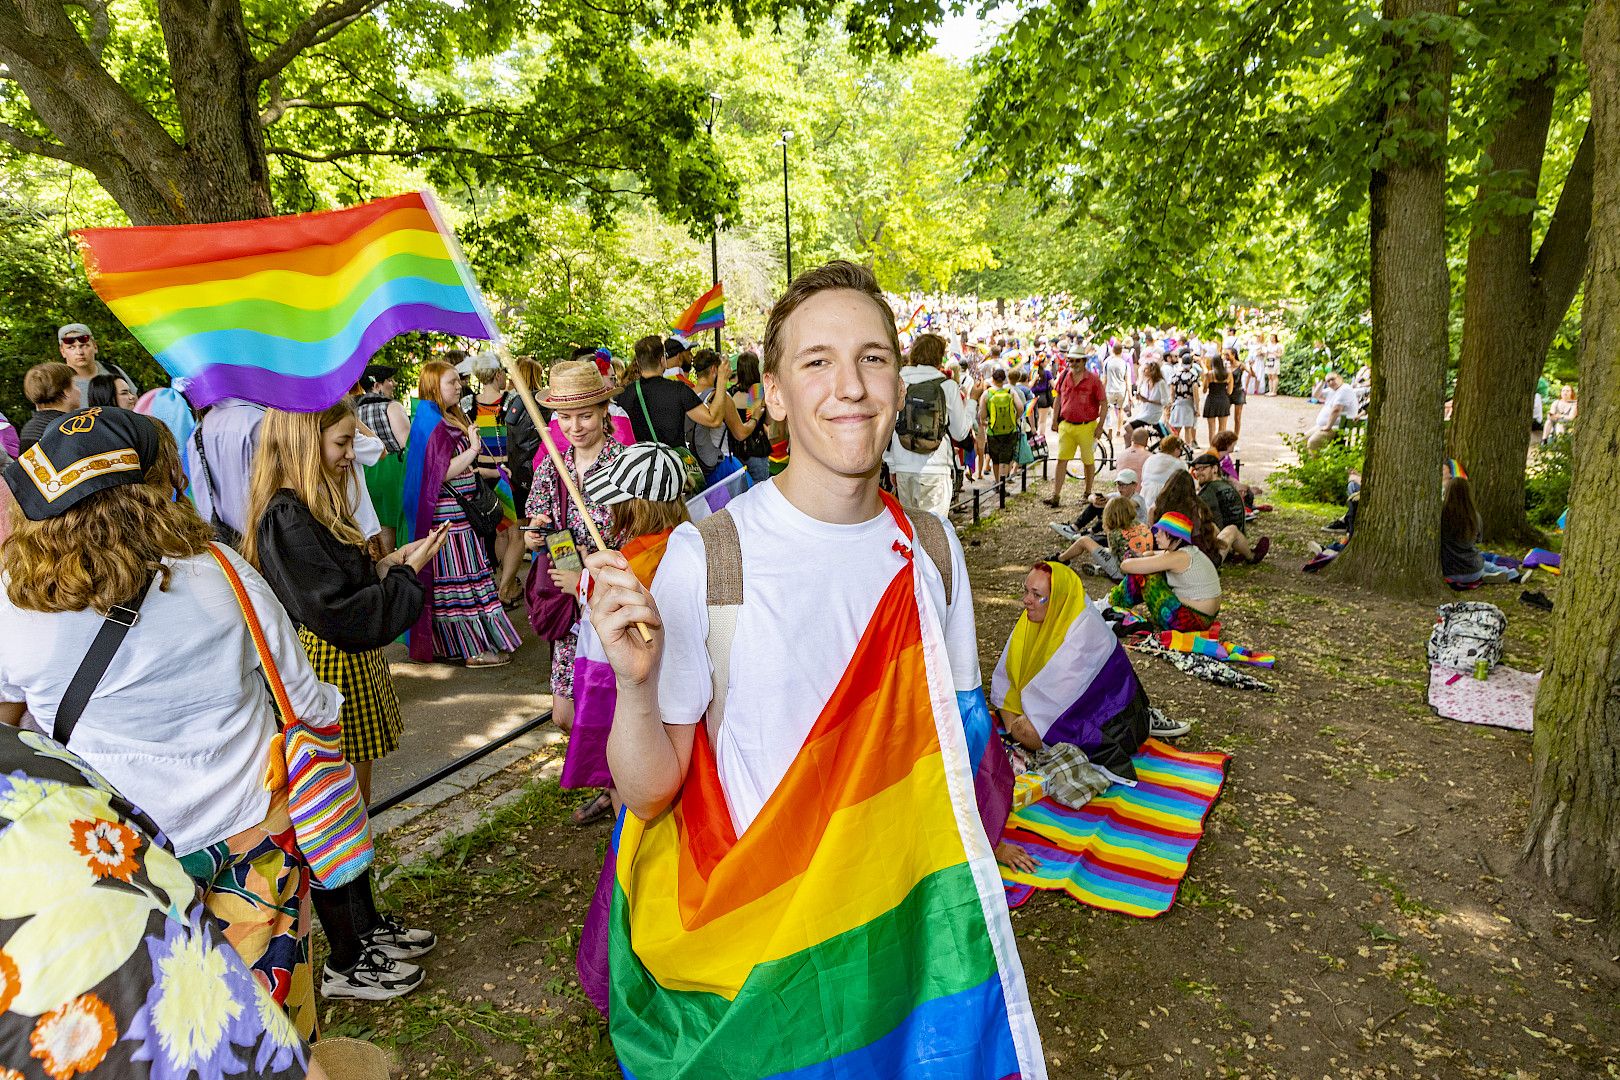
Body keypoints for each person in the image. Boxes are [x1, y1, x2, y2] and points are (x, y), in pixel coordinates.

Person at [584, 261, 1042, 1074]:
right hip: (760, 966)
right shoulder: (706, 557)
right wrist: (636, 685)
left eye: (872, 358)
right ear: (777, 396)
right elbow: (650, 794)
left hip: (890, 949)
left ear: (898, 384)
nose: (851, 386)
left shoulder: (934, 553)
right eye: (817, 361)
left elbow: (955, 752)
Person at [0, 409, 330, 1037]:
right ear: (152, 486)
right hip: (252, 838)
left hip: (115, 860)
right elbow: (307, 703)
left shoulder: (13, 604)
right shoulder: (223, 573)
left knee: (168, 1030)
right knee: (272, 1029)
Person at [242, 404, 441, 1000]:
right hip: (323, 669)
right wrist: (401, 580)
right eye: (342, 442)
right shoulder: (287, 515)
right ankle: (347, 959)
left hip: (339, 663)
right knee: (329, 818)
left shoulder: (309, 505)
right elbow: (339, 613)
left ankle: (366, 926)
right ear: (304, 441)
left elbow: (343, 588)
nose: (352, 454)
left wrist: (390, 566)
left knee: (349, 810)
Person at [0, 723, 329, 1079]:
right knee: (259, 1009)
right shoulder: (40, 840)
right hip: (235, 812)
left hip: (201, 827)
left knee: (259, 1012)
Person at [564, 443, 689, 828]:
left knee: (629, 787)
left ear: (634, 506)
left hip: (638, 689)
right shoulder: (690, 539)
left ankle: (626, 847)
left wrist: (579, 584)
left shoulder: (628, 562)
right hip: (682, 690)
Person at [992, 563, 1164, 824]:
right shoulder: (1032, 621)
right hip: (1052, 709)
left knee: (1024, 729)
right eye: (1026, 591)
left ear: (1059, 600)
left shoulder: (1084, 632)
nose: (1026, 600)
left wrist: (1021, 724)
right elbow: (1009, 676)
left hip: (1105, 719)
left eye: (1037, 595)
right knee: (1018, 723)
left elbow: (1068, 702)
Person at [525, 360, 624, 736]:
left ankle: (617, 773)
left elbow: (644, 544)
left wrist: (589, 571)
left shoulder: (623, 467)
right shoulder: (553, 466)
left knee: (610, 709)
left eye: (585, 415)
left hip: (611, 604)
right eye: (565, 417)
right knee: (565, 715)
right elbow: (536, 527)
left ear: (604, 410)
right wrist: (535, 536)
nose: (575, 427)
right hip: (569, 608)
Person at [401, 360, 520, 667]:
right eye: (451, 382)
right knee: (461, 580)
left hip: (456, 514)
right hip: (449, 517)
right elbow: (440, 472)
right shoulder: (433, 421)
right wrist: (473, 449)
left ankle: (458, 645)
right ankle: (472, 649)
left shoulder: (441, 416)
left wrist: (486, 469)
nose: (459, 386)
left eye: (458, 380)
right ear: (433, 386)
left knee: (461, 580)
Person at [460, 354, 526, 604]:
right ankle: (506, 588)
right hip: (508, 476)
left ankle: (503, 581)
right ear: (498, 374)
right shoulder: (512, 401)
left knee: (501, 534)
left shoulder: (468, 405)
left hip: (482, 477)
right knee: (517, 534)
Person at [886, 331, 974, 515]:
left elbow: (887, 426)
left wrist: (892, 465)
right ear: (939, 356)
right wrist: (972, 403)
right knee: (935, 527)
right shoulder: (946, 385)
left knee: (911, 526)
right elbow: (960, 433)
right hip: (935, 466)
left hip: (903, 463)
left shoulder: (897, 382)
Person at [1108, 511, 1223, 631]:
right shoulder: (1187, 552)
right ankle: (1112, 602)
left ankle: (1111, 603)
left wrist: (1137, 559)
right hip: (1204, 618)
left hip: (1191, 620)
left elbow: (1125, 566)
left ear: (1176, 537)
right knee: (1145, 567)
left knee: (1145, 574)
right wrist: (1143, 557)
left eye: (1161, 532)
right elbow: (1149, 554)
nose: (1156, 535)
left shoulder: (1178, 557)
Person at [618, 334, 725, 446]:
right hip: (672, 455)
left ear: (638, 363)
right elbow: (713, 420)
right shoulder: (679, 390)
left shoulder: (624, 394)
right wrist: (722, 379)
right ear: (662, 360)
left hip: (639, 456)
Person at [187, 397, 269, 544]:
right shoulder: (258, 421)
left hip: (223, 542)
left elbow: (201, 496)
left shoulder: (199, 431)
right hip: (260, 538)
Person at [356, 364, 412, 551]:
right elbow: (406, 444)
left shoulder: (353, 410)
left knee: (380, 526)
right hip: (392, 470)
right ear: (377, 385)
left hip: (365, 471)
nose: (393, 384)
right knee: (400, 525)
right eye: (389, 380)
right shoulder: (391, 407)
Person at [1045, 343, 1106, 508]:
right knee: (1061, 460)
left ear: (1084, 361)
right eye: (1071, 360)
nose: (1073, 363)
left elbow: (1103, 402)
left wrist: (1100, 426)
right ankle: (1056, 495)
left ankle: (1087, 493)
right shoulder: (1064, 376)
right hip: (1066, 424)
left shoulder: (1093, 380)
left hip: (1087, 425)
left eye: (1077, 360)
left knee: (1088, 460)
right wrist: (1054, 420)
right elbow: (1058, 398)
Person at [687, 348, 759, 485]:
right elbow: (740, 433)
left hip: (696, 468)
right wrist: (755, 418)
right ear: (714, 369)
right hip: (721, 465)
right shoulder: (721, 397)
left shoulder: (687, 395)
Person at [1052, 487, 1152, 579]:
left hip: (1123, 571)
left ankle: (1061, 559)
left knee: (1084, 540)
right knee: (1103, 548)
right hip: (1143, 567)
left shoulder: (1115, 533)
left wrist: (1108, 532)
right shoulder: (1142, 526)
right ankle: (1100, 569)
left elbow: (1112, 553)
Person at [1191, 453, 1269, 564]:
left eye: (1202, 468)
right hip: (1230, 541)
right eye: (1196, 470)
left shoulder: (1208, 491)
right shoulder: (1228, 485)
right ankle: (1248, 555)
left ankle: (1241, 554)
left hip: (1220, 543)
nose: (1198, 473)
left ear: (1215, 469)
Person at [1440, 476, 1518, 585]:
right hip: (1474, 571)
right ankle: (1511, 574)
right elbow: (1478, 540)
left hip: (1450, 573)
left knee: (1480, 562)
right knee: (1484, 563)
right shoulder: (1474, 516)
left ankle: (1489, 575)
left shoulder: (1441, 515)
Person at [56, 322, 140, 405]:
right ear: (62, 351)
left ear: (95, 347)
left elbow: (136, 405)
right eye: (71, 347)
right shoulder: (58, 383)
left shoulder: (113, 371)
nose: (79, 352)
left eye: (84, 345)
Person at [730, 351, 776, 484]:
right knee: (759, 489)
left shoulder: (731, 393)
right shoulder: (758, 392)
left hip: (736, 452)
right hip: (756, 448)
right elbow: (768, 421)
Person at [18, 362, 82, 454]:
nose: (79, 390)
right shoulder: (72, 428)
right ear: (66, 391)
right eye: (75, 384)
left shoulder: (29, 429)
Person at [979, 367, 1023, 485]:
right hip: (1010, 430)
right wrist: (1015, 419)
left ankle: (998, 483)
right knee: (1006, 458)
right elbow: (1020, 408)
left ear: (993, 379)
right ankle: (1003, 484)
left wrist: (984, 422)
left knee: (996, 459)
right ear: (1004, 380)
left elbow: (982, 415)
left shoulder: (987, 393)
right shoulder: (1010, 392)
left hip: (993, 431)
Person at [1306, 370, 1360, 452]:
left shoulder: (1345, 389)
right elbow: (1315, 396)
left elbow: (1336, 410)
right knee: (1301, 440)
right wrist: (1322, 382)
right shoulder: (1332, 390)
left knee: (1313, 442)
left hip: (1337, 427)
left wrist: (1328, 426)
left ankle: (1316, 460)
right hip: (1323, 426)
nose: (1331, 382)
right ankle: (1308, 460)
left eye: (1332, 379)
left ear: (1340, 378)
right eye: (1328, 381)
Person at [1138, 433, 1189, 511]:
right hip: (1165, 500)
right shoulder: (1179, 464)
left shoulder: (1150, 459)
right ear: (1176, 449)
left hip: (1145, 497)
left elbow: (1143, 478)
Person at [1168, 350, 1202, 447]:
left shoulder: (1176, 376)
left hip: (1178, 403)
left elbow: (1172, 392)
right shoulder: (1193, 377)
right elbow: (1196, 395)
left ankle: (1174, 447)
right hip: (1189, 404)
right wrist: (1197, 408)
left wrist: (1172, 403)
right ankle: (1188, 447)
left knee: (1176, 429)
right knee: (1188, 428)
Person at [1201, 350, 1233, 445]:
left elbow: (1204, 390)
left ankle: (1212, 447)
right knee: (1222, 428)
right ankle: (1221, 447)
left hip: (1211, 400)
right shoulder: (1228, 374)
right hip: (1223, 400)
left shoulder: (1210, 374)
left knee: (1211, 428)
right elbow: (1229, 391)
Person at [1101, 342, 1131, 440]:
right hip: (1121, 390)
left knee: (1109, 410)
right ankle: (1119, 429)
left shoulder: (1107, 363)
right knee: (1120, 410)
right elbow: (1127, 380)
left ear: (1113, 351)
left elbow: (1104, 379)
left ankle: (1110, 428)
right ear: (1121, 351)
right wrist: (1130, 395)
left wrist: (1101, 390)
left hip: (1110, 389)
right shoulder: (1125, 364)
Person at [1132, 359, 1170, 432]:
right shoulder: (1146, 382)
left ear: (1152, 371)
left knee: (1129, 427)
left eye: (1146, 369)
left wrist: (1148, 401)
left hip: (1154, 413)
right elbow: (1145, 399)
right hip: (1144, 411)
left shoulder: (1160, 383)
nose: (1144, 371)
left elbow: (1165, 402)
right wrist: (1140, 398)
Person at [1224, 347, 1248, 439]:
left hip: (1238, 391)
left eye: (1227, 355)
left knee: (1237, 417)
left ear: (1233, 355)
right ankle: (1223, 436)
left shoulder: (1241, 365)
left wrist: (1250, 368)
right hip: (1228, 392)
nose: (1226, 357)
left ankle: (1235, 437)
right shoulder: (1225, 365)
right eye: (1225, 355)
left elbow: (1252, 374)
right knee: (1224, 415)